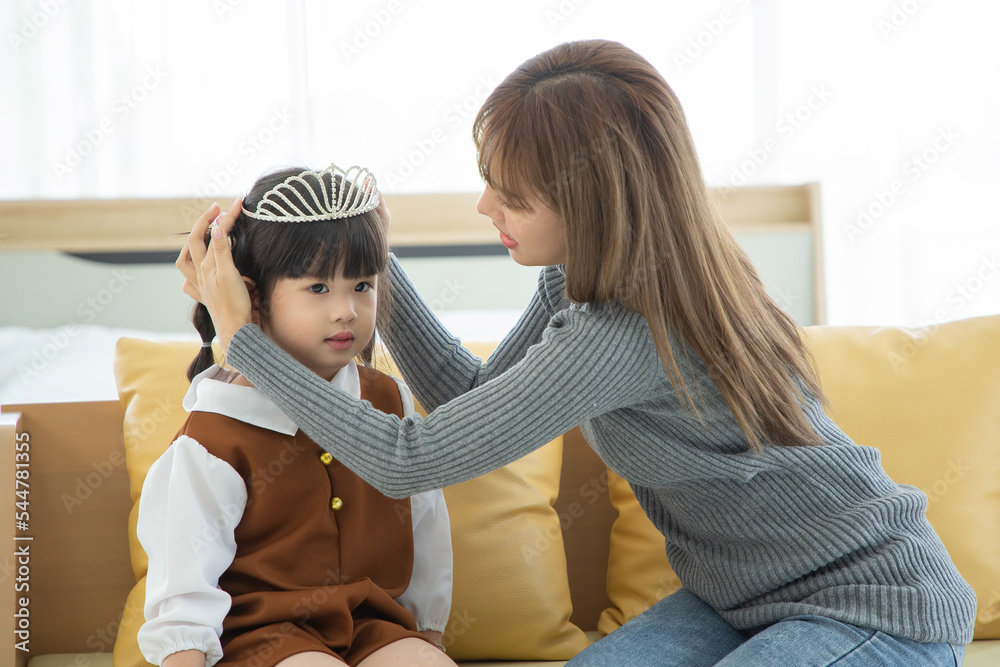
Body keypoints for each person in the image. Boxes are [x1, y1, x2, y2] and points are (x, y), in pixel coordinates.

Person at [177, 40, 974, 666]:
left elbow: (406, 456)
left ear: (591, 202)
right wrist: (371, 253)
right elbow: (469, 404)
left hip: (874, 606)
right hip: (742, 599)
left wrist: (243, 333)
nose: (486, 206)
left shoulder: (622, 329)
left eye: (513, 195)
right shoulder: (599, 281)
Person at [139, 164, 455, 667]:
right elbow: (183, 585)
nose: (346, 310)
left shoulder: (390, 399)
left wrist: (427, 633)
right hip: (262, 639)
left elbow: (427, 526)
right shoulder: (211, 437)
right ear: (250, 296)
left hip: (373, 627)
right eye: (317, 288)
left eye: (362, 285)